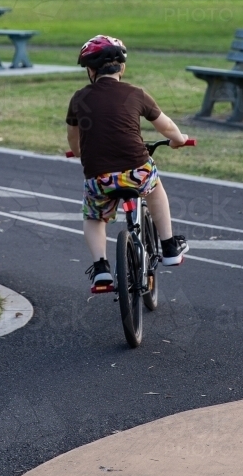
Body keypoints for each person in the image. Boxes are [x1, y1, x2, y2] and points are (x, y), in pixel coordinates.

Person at [66, 35, 190, 293]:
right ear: (122, 67)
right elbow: (166, 126)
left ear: (91, 70)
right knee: (155, 188)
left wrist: (78, 152)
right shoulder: (136, 94)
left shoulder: (79, 98)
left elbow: (73, 137)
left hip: (99, 177)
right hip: (136, 170)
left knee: (94, 216)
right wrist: (178, 140)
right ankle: (168, 246)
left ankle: (101, 269)